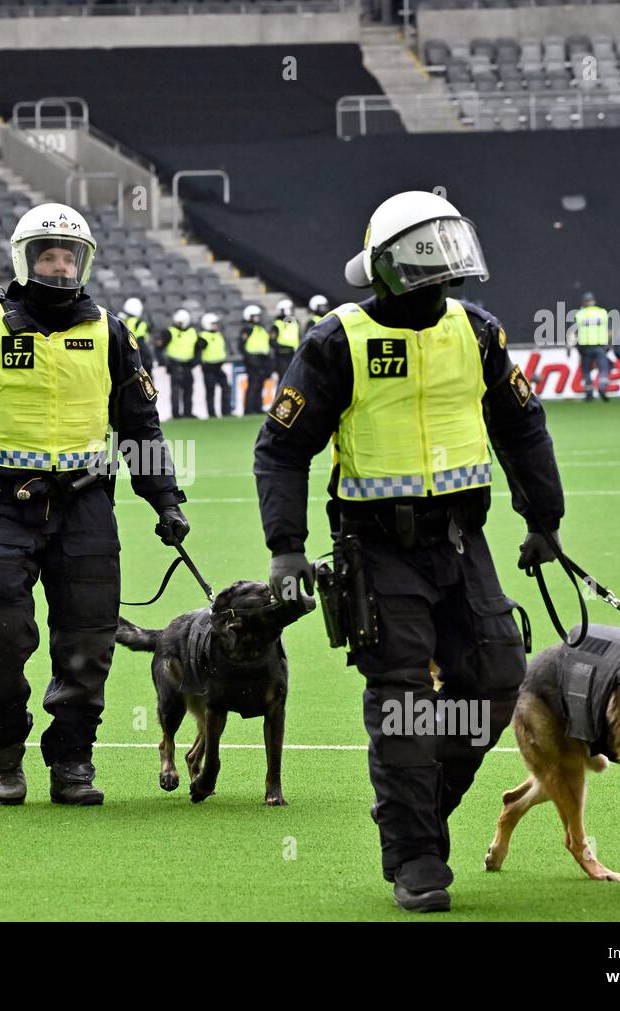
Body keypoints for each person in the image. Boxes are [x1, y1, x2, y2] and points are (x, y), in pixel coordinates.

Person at [254, 190, 564, 913]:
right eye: (424, 258)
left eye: (445, 254)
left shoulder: (478, 331)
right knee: (402, 702)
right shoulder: (336, 341)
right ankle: (416, 856)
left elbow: (521, 425)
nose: (440, 272)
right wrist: (286, 547)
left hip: (464, 541)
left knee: (495, 683)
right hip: (376, 550)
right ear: (388, 268)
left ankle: (411, 810)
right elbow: (281, 448)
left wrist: (543, 518)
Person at [0, 202, 189, 805]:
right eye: (47, 255)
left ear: (84, 262)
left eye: (69, 256)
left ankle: (72, 761)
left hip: (84, 510)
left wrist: (165, 500)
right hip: (1, 507)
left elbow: (141, 426)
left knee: (88, 639)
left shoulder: (110, 332)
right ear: (23, 259)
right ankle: (4, 750)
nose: (59, 266)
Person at [568, 291, 610, 402]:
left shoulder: (579, 314)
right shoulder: (602, 312)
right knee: (603, 368)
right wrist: (610, 344)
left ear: (583, 302)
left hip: (585, 347)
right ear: (594, 301)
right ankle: (602, 386)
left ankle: (589, 393)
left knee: (586, 370)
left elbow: (573, 332)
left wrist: (569, 346)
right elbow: (610, 330)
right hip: (600, 346)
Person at [160, 308, 197, 419]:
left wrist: (195, 362)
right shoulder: (170, 332)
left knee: (188, 390)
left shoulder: (192, 332)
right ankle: (176, 414)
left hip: (187, 365)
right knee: (175, 392)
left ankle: (188, 413)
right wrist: (165, 363)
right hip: (175, 365)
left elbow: (197, 348)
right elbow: (159, 348)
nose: (178, 324)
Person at [196, 311, 231, 418]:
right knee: (210, 391)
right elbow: (197, 351)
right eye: (213, 324)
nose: (215, 326)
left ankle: (226, 412)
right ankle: (212, 414)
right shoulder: (202, 337)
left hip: (218, 366)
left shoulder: (219, 335)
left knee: (226, 388)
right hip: (208, 367)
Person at [240, 303, 273, 415]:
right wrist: (249, 359)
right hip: (252, 359)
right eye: (255, 316)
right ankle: (249, 409)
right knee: (253, 384)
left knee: (260, 384)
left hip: (262, 359)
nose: (257, 318)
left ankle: (258, 407)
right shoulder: (247, 329)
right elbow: (241, 346)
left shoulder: (261, 328)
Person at [122, 296, 154, 373]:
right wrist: (149, 359)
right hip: (138, 358)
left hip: (124, 358)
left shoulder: (120, 321)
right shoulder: (139, 323)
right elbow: (141, 342)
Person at [272, 298, 300, 380]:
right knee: (283, 380)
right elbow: (272, 342)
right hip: (283, 356)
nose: (292, 311)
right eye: (290, 309)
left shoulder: (295, 323)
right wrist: (286, 348)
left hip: (294, 355)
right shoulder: (277, 324)